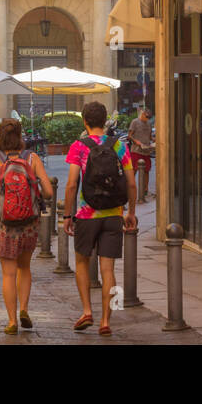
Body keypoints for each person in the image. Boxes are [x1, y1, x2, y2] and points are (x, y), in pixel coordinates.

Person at [0, 118, 53, 334]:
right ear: (20, 136)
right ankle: (24, 309)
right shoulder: (32, 158)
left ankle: (11, 321)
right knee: (24, 268)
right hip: (28, 224)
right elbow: (49, 193)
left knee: (8, 273)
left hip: (3, 224)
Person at [63, 100, 136, 335]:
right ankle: (106, 320)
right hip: (114, 214)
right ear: (105, 121)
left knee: (82, 262)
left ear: (85, 121)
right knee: (109, 269)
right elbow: (132, 184)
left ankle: (87, 311)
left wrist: (67, 214)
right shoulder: (119, 146)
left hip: (86, 214)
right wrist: (131, 212)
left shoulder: (78, 146)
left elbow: (72, 184)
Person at [126, 107, 155, 203]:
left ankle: (144, 191)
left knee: (146, 171)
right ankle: (129, 190)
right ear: (142, 114)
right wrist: (136, 141)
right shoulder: (135, 122)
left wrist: (154, 140)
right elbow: (129, 135)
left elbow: (150, 136)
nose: (147, 119)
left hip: (146, 150)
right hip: (136, 150)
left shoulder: (149, 124)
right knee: (134, 170)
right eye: (146, 116)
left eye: (148, 117)